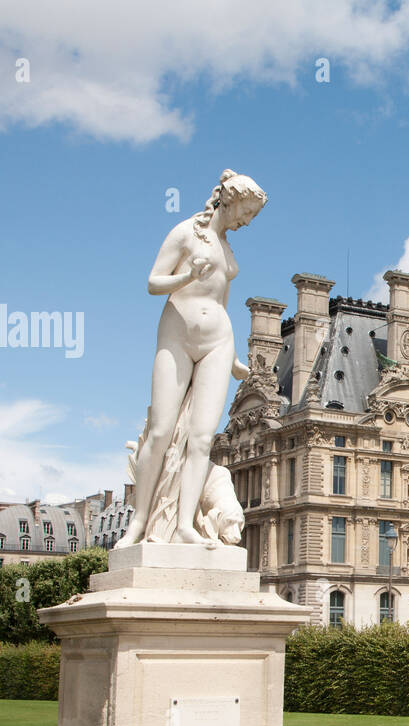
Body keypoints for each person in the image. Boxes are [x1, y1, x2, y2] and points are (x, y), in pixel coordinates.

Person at [118, 170, 265, 547]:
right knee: (162, 431)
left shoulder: (227, 247)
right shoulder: (185, 232)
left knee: (202, 439)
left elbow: (222, 301)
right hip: (177, 331)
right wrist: (185, 277)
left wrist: (232, 357)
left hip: (218, 337)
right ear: (230, 201)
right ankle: (138, 522)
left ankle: (185, 524)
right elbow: (153, 282)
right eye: (246, 213)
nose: (247, 222)